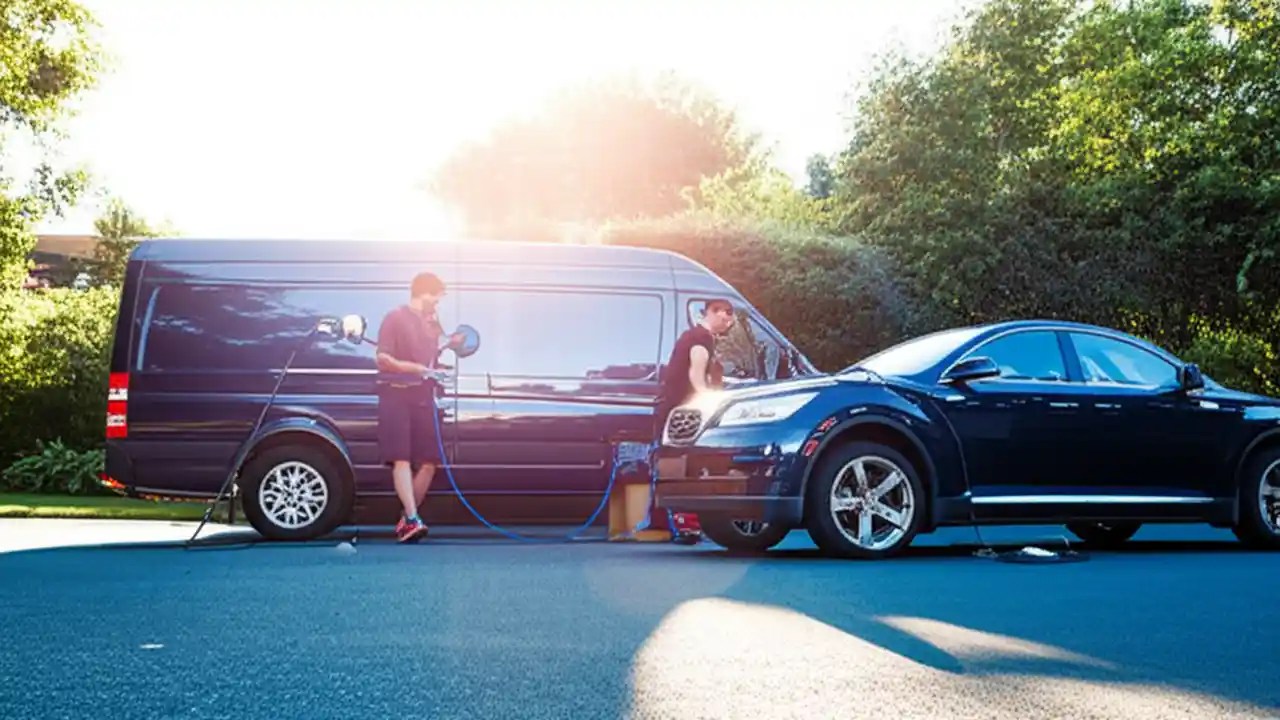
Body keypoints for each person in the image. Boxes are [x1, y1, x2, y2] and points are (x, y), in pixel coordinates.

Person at [375, 271, 464, 543]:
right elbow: (382, 358)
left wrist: (453, 342)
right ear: (421, 293)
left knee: (429, 462)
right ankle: (413, 519)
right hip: (397, 395)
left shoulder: (431, 323)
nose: (436, 305)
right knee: (401, 457)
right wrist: (416, 369)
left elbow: (436, 349)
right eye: (434, 299)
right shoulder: (394, 318)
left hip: (424, 398)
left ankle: (407, 519)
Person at [648, 298, 737, 541]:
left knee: (669, 463)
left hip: (672, 409)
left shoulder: (694, 336)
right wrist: (710, 401)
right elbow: (696, 375)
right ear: (711, 312)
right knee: (682, 464)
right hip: (680, 412)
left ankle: (664, 523)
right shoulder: (701, 338)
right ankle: (682, 524)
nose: (729, 319)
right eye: (725, 313)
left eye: (731, 314)